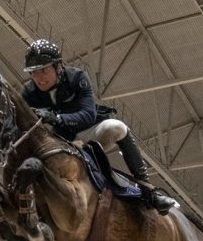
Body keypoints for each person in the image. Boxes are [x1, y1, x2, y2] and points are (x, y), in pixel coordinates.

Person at [21, 39, 175, 215]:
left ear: (58, 66)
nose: (39, 78)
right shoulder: (28, 92)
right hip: (58, 143)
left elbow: (88, 115)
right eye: (33, 72)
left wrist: (57, 119)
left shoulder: (77, 78)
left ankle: (149, 191)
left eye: (43, 70)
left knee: (116, 127)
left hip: (88, 133)